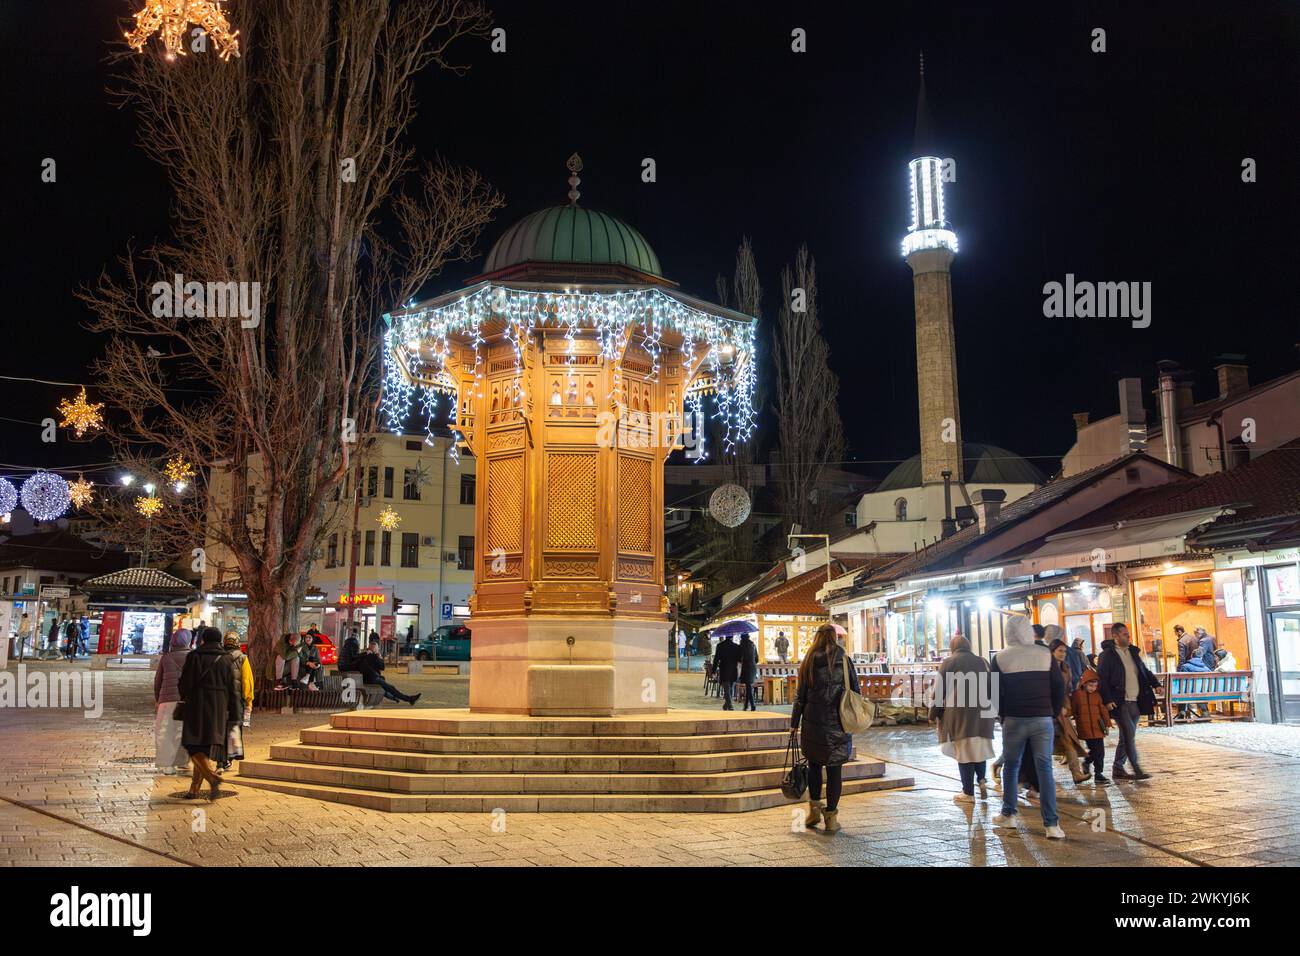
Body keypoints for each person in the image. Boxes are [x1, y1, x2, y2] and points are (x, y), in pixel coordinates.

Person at [991, 615, 1066, 839]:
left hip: (1014, 718)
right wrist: (1052, 710)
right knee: (1045, 769)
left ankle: (1009, 815)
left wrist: (1002, 715)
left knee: (1012, 767)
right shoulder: (1044, 654)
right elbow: (1058, 685)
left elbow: (993, 692)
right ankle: (1051, 825)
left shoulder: (1001, 658)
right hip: (1043, 718)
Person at [791, 623, 859, 833]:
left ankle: (813, 812)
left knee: (814, 766)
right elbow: (855, 691)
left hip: (813, 723)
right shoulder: (845, 661)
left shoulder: (809, 661)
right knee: (835, 770)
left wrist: (794, 723)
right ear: (834, 638)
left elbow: (800, 697)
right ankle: (831, 820)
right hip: (838, 722)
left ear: (817, 638)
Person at [178, 627, 242, 800]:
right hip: (218, 708)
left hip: (197, 706)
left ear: (203, 640)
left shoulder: (194, 657)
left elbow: (184, 683)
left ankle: (212, 778)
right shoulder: (226, 659)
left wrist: (184, 695)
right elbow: (233, 688)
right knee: (204, 748)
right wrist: (235, 713)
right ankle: (194, 789)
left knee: (192, 745)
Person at [932, 635, 994, 802]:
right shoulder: (983, 661)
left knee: (964, 752)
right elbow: (992, 687)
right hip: (983, 714)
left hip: (960, 715)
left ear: (953, 647)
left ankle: (968, 792)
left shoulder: (949, 662)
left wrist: (933, 713)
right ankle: (981, 779)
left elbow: (939, 691)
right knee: (979, 749)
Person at [1096, 622, 1161, 780]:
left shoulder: (1132, 652)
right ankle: (1136, 768)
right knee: (1128, 735)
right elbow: (1102, 679)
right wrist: (1108, 699)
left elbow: (1143, 670)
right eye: (1125, 634)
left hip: (1135, 701)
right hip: (1120, 702)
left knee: (1125, 736)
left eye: (1128, 634)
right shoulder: (1107, 655)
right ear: (1115, 636)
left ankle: (1118, 768)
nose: (1128, 636)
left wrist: (1156, 684)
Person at [1048, 634, 1089, 784]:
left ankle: (1076, 773)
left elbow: (1068, 689)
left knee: (1069, 741)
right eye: (1060, 651)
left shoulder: (1066, 668)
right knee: (1042, 746)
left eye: (1064, 651)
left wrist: (1067, 706)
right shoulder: (1048, 668)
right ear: (1052, 651)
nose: (1063, 654)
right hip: (1049, 712)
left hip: (1062, 712)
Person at [153, 628, 193, 775]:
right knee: (182, 732)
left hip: (166, 700)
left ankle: (166, 765)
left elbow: (158, 681)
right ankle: (182, 762)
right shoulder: (193, 657)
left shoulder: (166, 657)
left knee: (164, 732)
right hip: (186, 701)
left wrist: (158, 699)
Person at [1072, 668, 1112, 784]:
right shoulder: (1077, 695)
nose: (1093, 688)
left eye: (1095, 686)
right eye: (1090, 685)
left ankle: (1098, 773)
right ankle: (1087, 762)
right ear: (1084, 684)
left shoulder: (1097, 696)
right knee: (1094, 750)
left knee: (1100, 752)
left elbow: (1103, 711)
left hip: (1098, 727)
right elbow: (1073, 709)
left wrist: (1107, 724)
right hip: (1085, 728)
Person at [221, 633, 255, 771]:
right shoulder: (243, 658)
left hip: (221, 699)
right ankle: (230, 757)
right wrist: (249, 700)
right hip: (236, 699)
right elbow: (247, 682)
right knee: (234, 727)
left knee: (221, 729)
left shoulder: (219, 657)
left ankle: (221, 759)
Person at [353, 636, 421, 705]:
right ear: (375, 649)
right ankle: (408, 699)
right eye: (377, 648)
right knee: (390, 688)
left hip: (368, 678)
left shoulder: (364, 655)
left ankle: (396, 698)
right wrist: (380, 658)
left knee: (386, 688)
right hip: (372, 679)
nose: (378, 649)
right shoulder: (374, 656)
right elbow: (382, 667)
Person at [713, 634, 741, 710]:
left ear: (725, 636)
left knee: (726, 688)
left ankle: (728, 704)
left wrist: (713, 671)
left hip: (724, 669)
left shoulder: (720, 646)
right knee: (731, 687)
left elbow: (716, 659)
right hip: (733, 670)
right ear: (732, 637)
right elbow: (739, 659)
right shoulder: (736, 646)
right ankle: (728, 704)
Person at [737, 632, 759, 711]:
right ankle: (746, 705)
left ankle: (753, 705)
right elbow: (757, 659)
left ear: (742, 638)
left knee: (748, 686)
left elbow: (739, 658)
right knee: (748, 686)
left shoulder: (742, 645)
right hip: (753, 667)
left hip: (746, 667)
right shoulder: (753, 644)